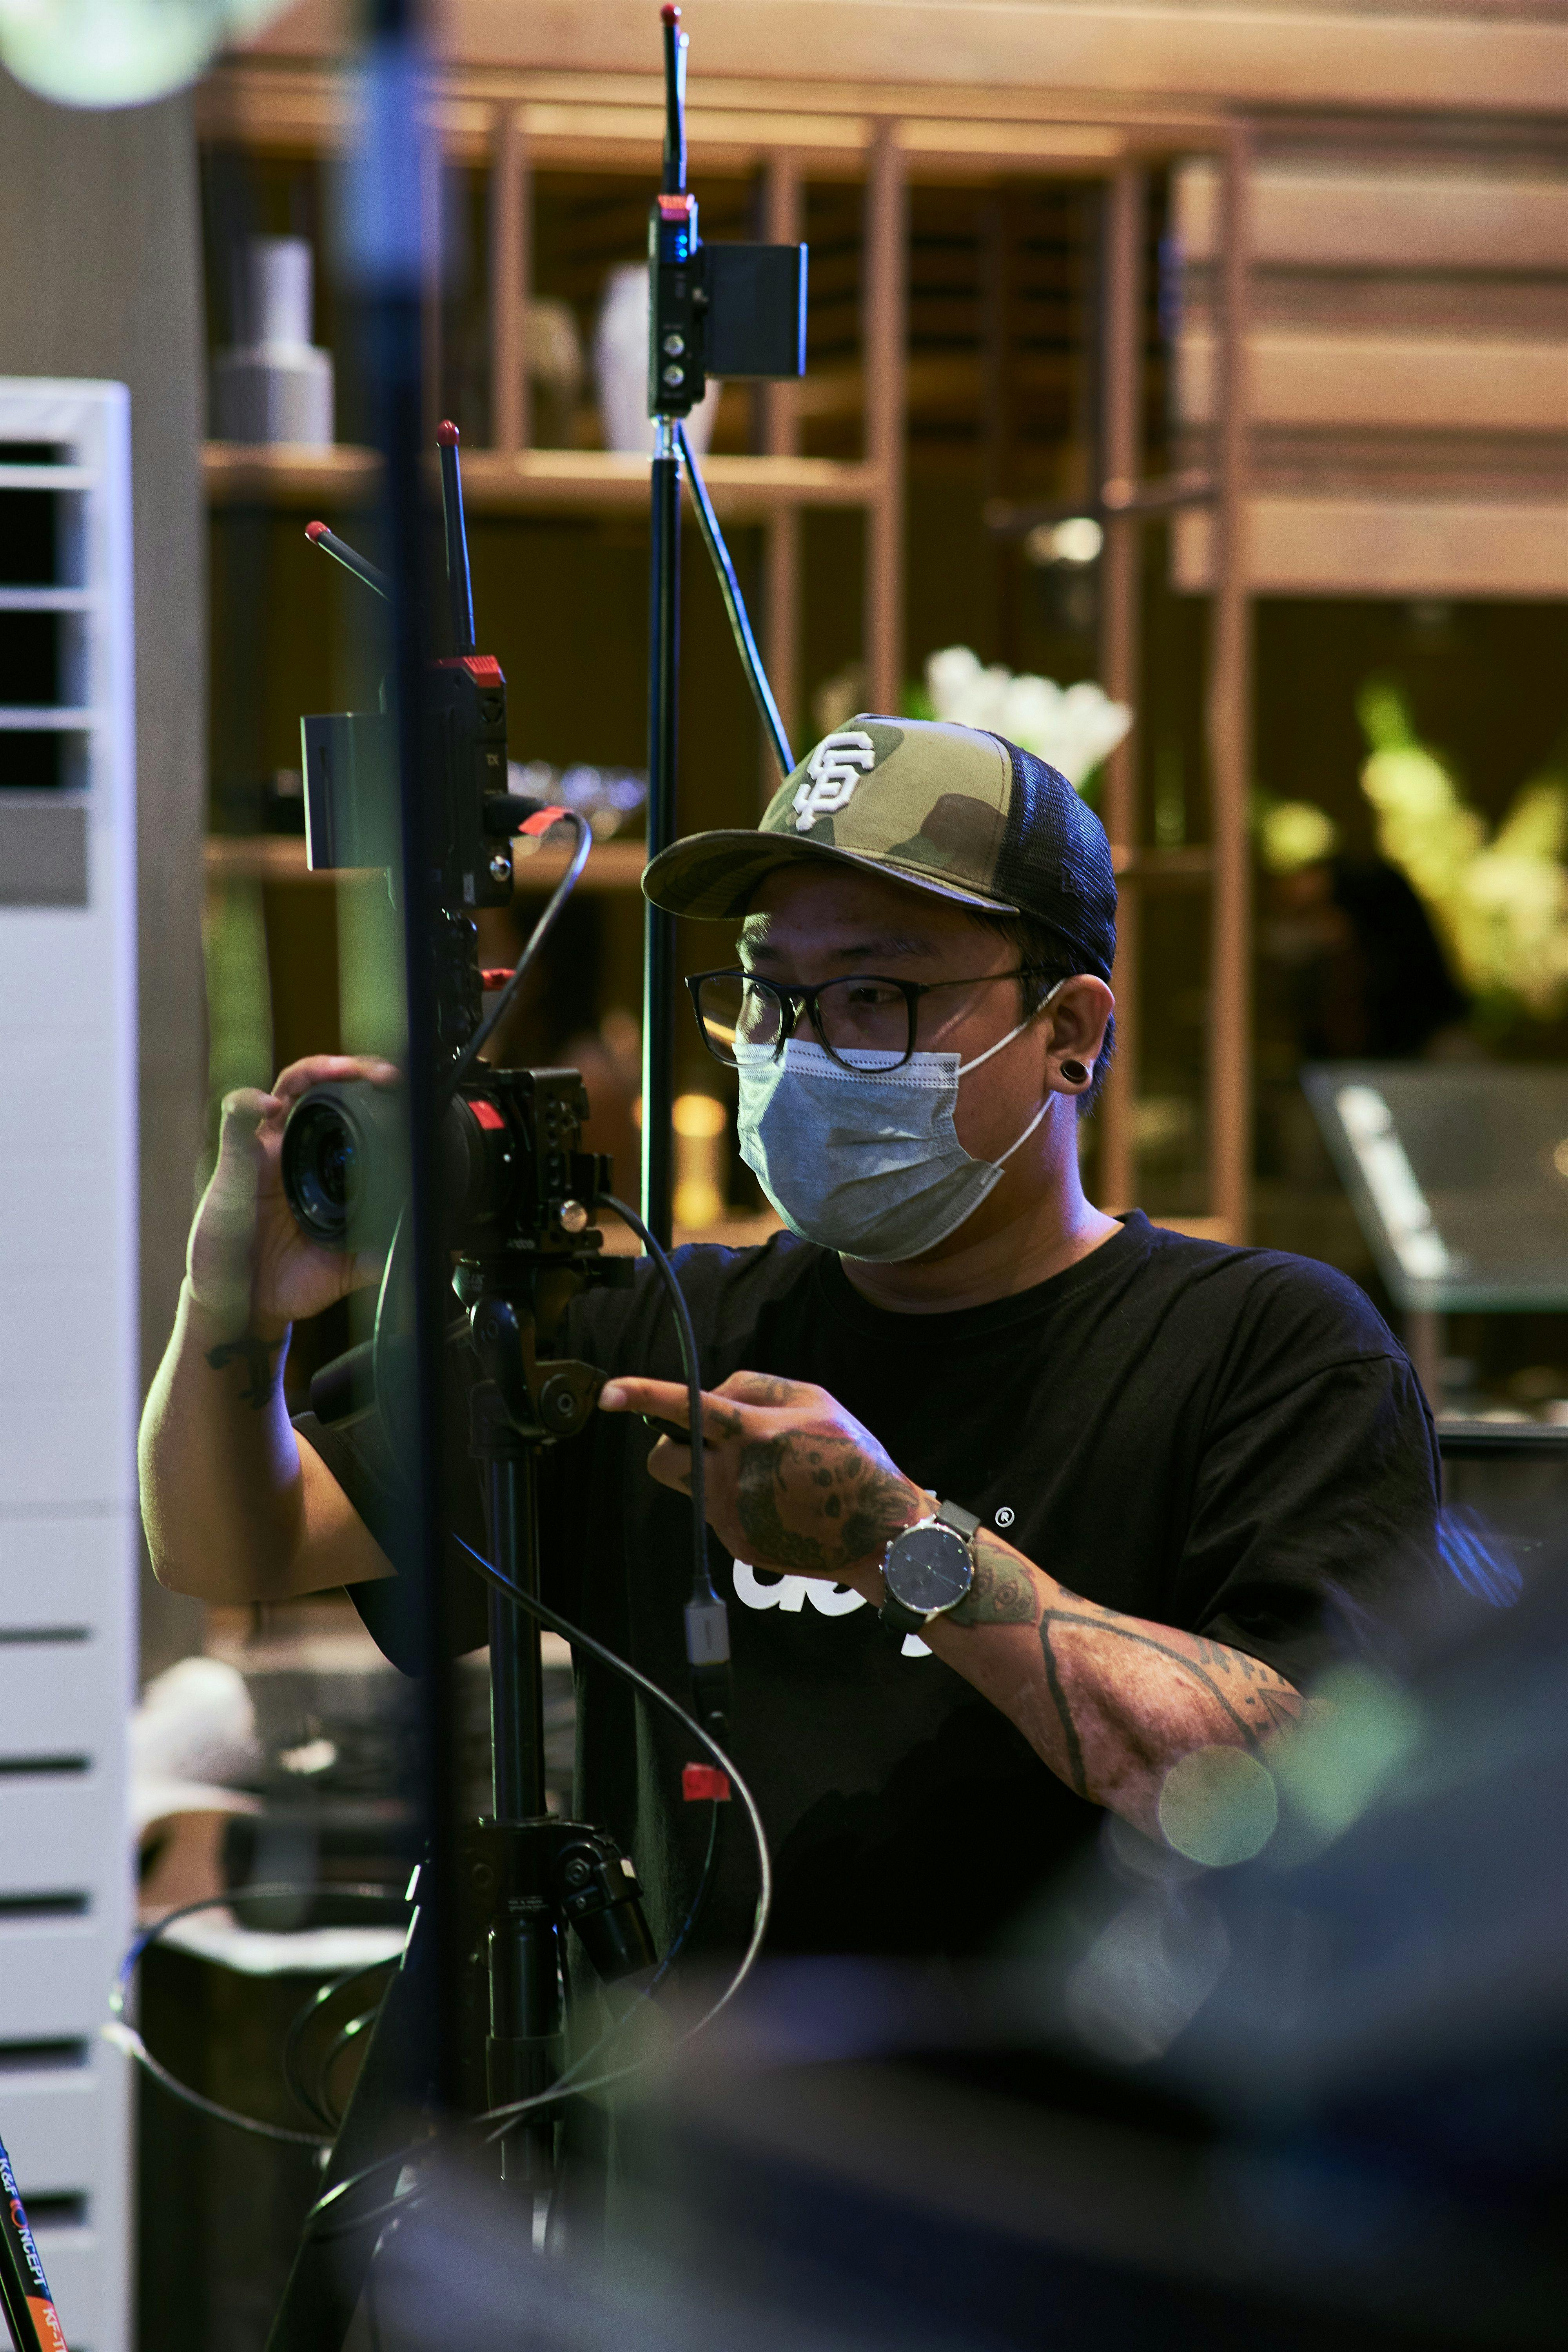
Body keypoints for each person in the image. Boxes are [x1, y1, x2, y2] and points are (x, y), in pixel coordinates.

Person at [140, 717, 1442, 1956]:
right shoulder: (661, 1324)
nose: (806, 1048)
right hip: (709, 2138)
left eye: (876, 992)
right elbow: (227, 1541)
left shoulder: (1266, 1349)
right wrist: (236, 1314)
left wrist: (900, 1543)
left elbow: (1322, 1796)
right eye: (773, 994)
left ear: (1070, 1034)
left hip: (1070, 2162)